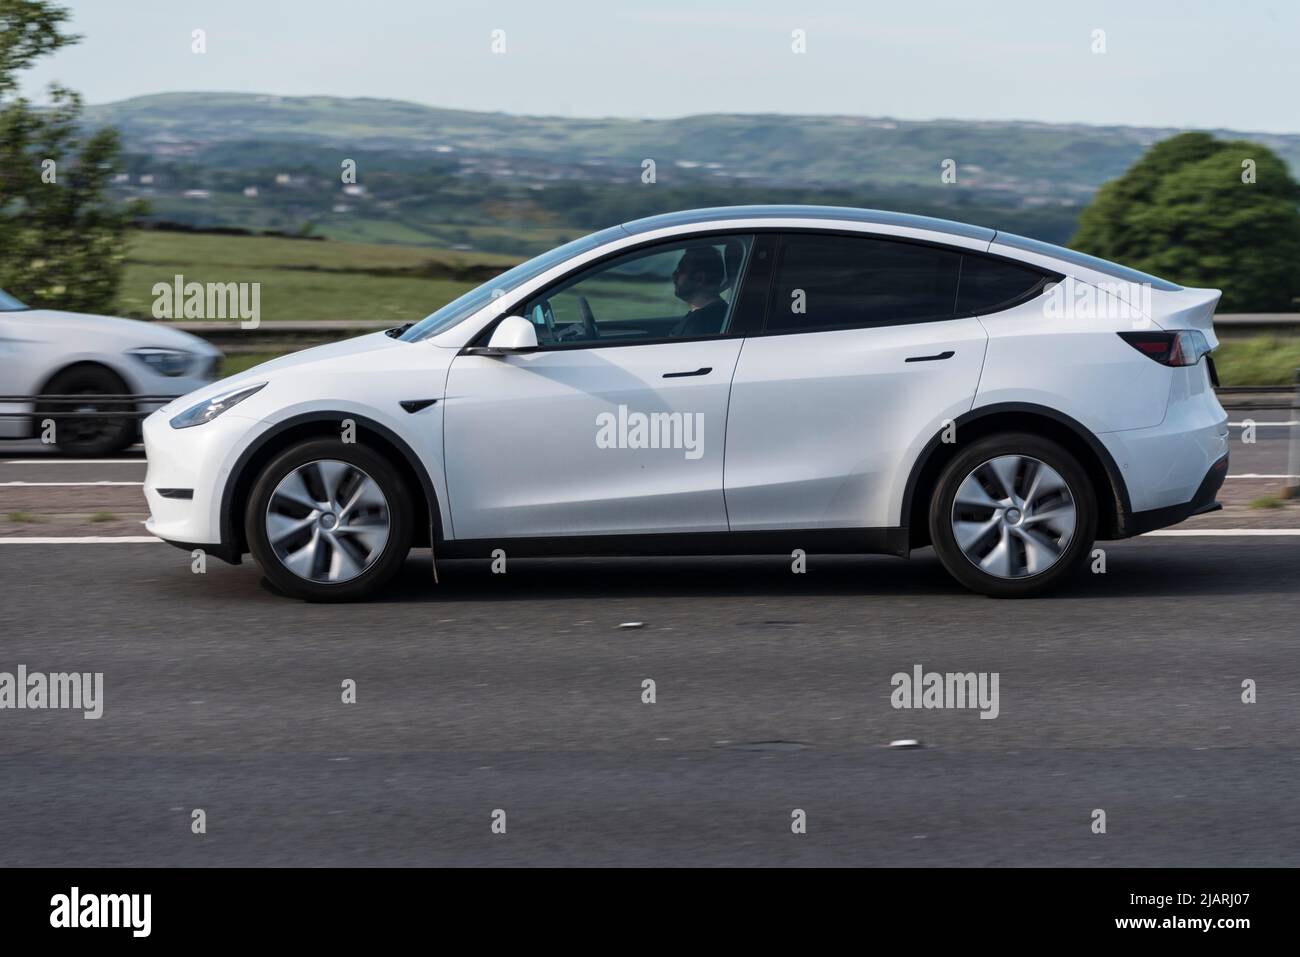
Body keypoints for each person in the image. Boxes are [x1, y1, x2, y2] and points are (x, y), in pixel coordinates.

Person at [669, 246, 729, 337]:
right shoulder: (722, 313)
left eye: (680, 270)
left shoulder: (698, 325)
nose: (674, 276)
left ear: (699, 278)